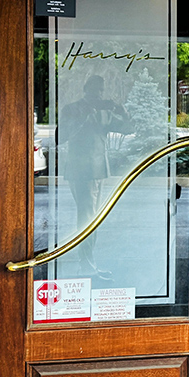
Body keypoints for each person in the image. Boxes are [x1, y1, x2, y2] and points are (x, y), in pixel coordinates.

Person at [59, 75, 128, 278]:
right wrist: (84, 116)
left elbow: (129, 128)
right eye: (94, 89)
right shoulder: (72, 109)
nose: (97, 94)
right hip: (80, 171)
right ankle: (87, 265)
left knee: (92, 218)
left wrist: (119, 110)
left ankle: (88, 264)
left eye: (101, 90)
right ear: (86, 89)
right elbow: (60, 136)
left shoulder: (103, 113)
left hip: (98, 172)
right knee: (87, 218)